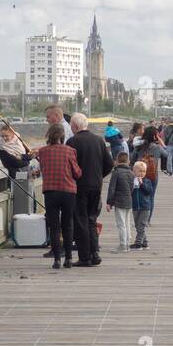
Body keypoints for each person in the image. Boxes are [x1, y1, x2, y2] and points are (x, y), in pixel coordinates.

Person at [66, 113, 113, 267]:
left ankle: (85, 256)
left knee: (81, 221)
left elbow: (68, 166)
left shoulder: (72, 142)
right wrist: (99, 176)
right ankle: (95, 253)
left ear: (74, 126)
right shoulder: (99, 140)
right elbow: (109, 164)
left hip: (79, 186)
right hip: (96, 186)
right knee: (92, 220)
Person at [35, 123, 82, 269]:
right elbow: (77, 173)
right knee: (68, 225)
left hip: (50, 192)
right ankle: (68, 258)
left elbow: (42, 168)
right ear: (62, 136)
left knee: (54, 227)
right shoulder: (70, 151)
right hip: (68, 192)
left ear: (48, 136)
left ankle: (56, 260)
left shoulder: (42, 152)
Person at [105, 151, 135, 252]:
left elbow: (112, 189)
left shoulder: (116, 173)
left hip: (119, 201)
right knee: (127, 223)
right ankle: (127, 243)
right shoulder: (131, 173)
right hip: (129, 200)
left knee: (121, 223)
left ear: (117, 161)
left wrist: (109, 202)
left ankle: (123, 245)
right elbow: (132, 188)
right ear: (128, 161)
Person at [131, 160, 156, 249]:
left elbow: (149, 191)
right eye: (140, 171)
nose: (142, 173)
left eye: (144, 171)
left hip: (145, 207)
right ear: (134, 172)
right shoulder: (132, 181)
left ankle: (138, 244)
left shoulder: (147, 181)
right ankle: (145, 243)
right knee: (138, 226)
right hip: (135, 207)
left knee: (141, 225)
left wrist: (142, 184)